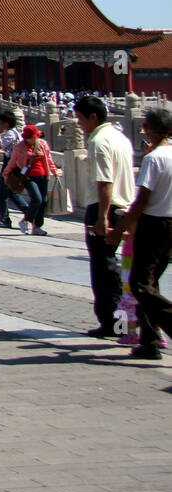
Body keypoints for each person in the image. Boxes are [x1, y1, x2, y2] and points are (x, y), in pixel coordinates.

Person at [107, 109, 172, 359]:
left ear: (151, 130)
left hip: (153, 224)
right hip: (170, 223)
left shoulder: (153, 158)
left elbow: (142, 199)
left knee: (139, 284)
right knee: (151, 280)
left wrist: (120, 229)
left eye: (145, 126)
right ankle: (150, 340)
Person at [77, 94, 135, 339]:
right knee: (115, 266)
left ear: (93, 117)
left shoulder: (98, 140)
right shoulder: (121, 138)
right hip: (125, 205)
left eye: (80, 119)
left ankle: (111, 320)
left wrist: (102, 218)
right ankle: (123, 320)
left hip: (104, 207)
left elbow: (104, 181)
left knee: (103, 267)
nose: (79, 124)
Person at [5, 124, 60, 235]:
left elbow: (49, 159)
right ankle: (26, 220)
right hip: (29, 177)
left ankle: (37, 226)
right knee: (37, 199)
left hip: (43, 175)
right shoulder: (19, 148)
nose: (34, 139)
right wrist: (6, 174)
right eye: (31, 137)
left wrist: (54, 171)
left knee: (44, 201)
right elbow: (12, 162)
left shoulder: (42, 144)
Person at [0, 108, 29, 229]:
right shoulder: (17, 133)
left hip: (9, 167)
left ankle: (4, 219)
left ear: (5, 123)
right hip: (15, 166)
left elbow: (1, 145)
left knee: (1, 193)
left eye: (0, 123)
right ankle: (30, 213)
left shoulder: (10, 134)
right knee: (12, 192)